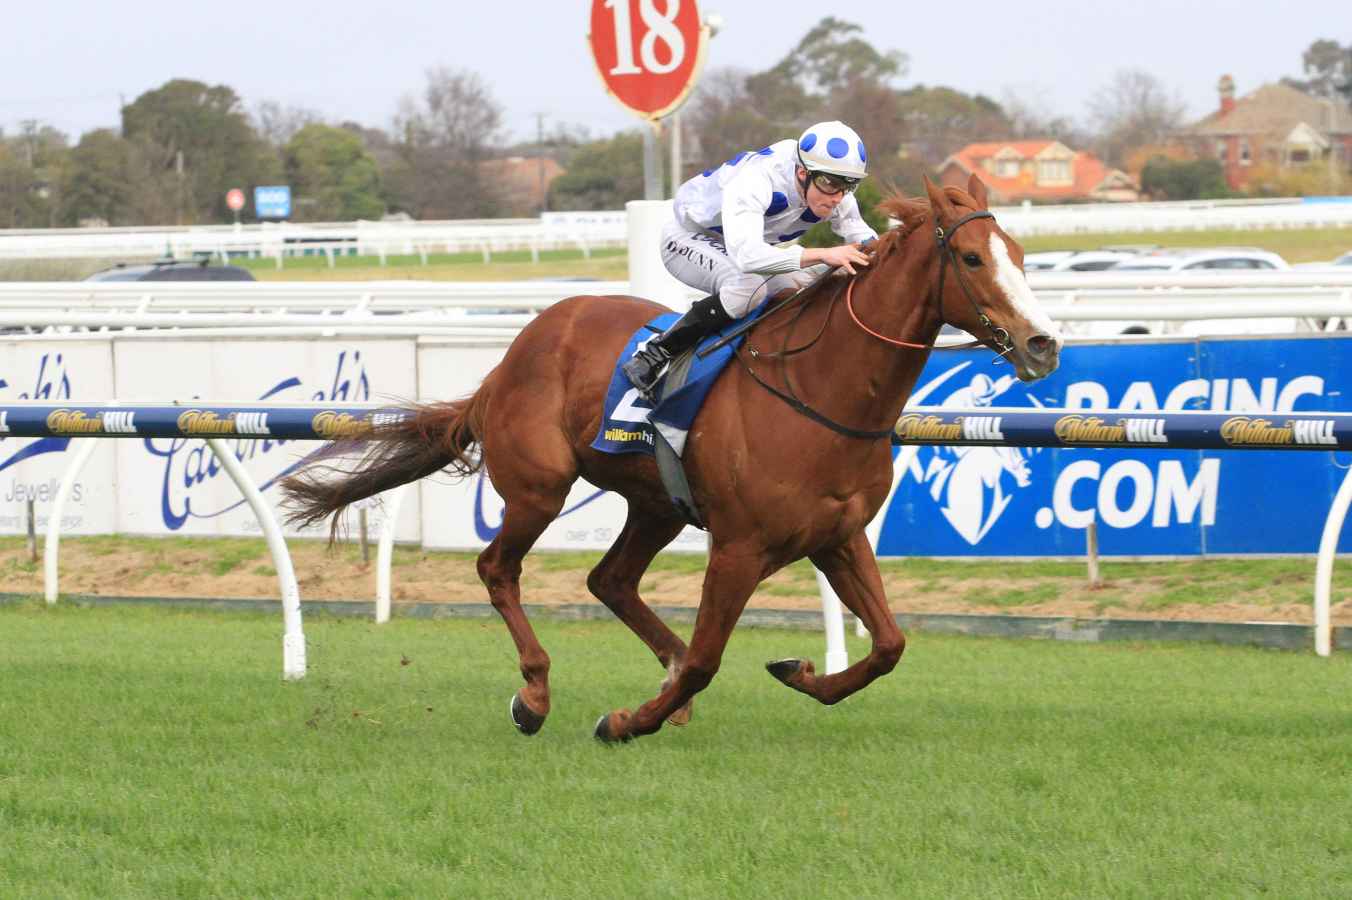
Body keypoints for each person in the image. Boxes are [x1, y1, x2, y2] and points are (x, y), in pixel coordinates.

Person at [622, 120, 879, 395]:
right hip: (687, 238)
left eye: (848, 186)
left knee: (809, 285)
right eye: (830, 185)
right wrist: (825, 254)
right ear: (803, 173)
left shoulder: (830, 186)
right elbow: (748, 257)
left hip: (744, 247)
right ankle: (655, 354)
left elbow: (863, 238)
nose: (837, 197)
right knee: (748, 287)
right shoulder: (756, 179)